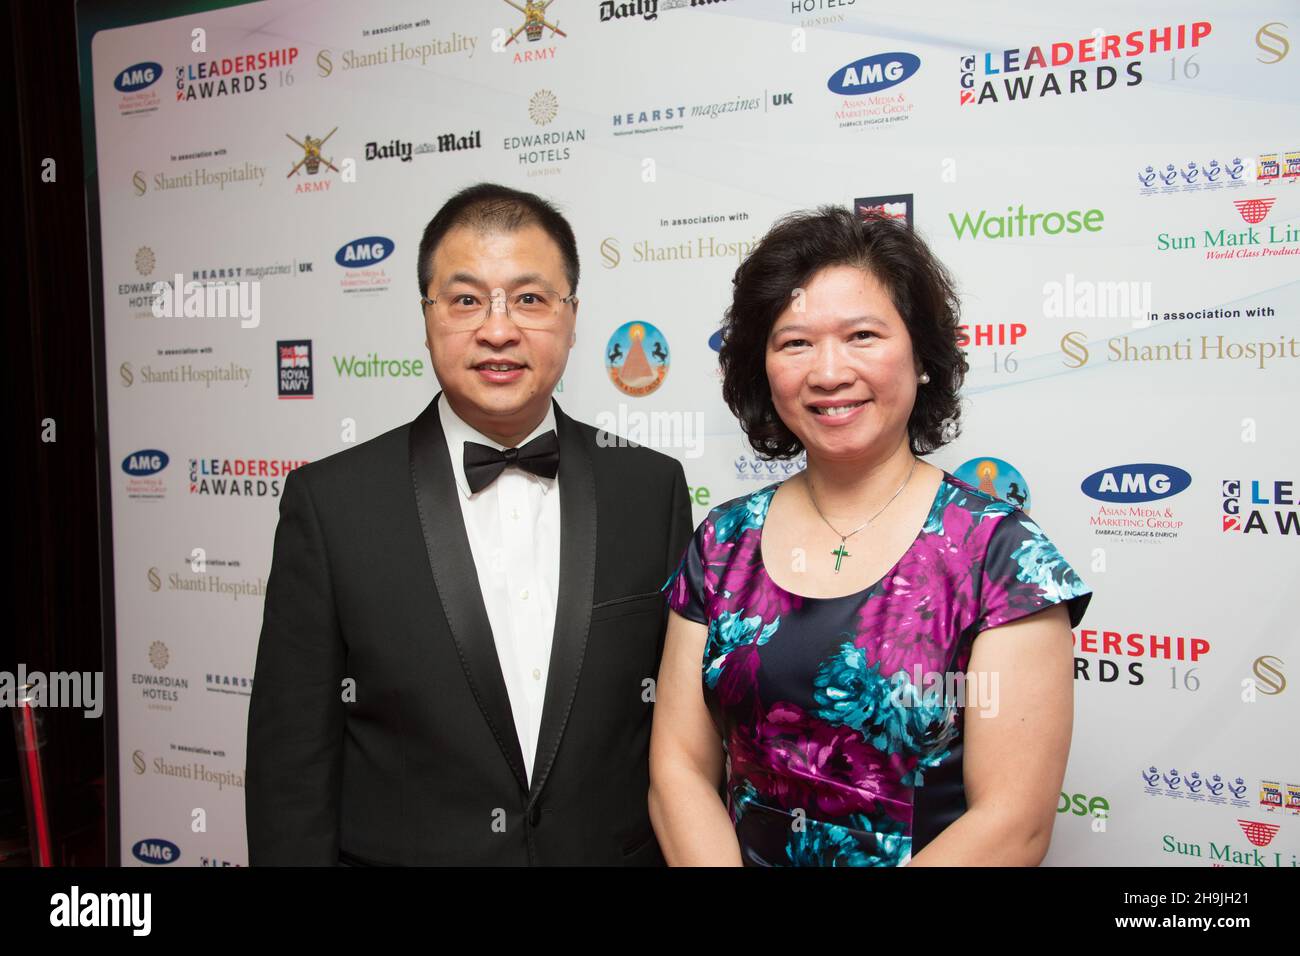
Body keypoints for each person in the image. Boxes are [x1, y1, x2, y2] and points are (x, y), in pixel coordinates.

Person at [246, 182, 693, 865]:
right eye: (464, 300)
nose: (498, 328)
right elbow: (291, 770)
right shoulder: (330, 504)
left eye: (530, 298)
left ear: (572, 319)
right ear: (427, 319)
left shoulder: (650, 488)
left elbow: (681, 741)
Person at [649, 205, 1093, 866]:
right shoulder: (725, 540)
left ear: (921, 356)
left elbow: (1012, 823)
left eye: (862, 335)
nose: (829, 373)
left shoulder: (999, 556)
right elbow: (679, 769)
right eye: (795, 342)